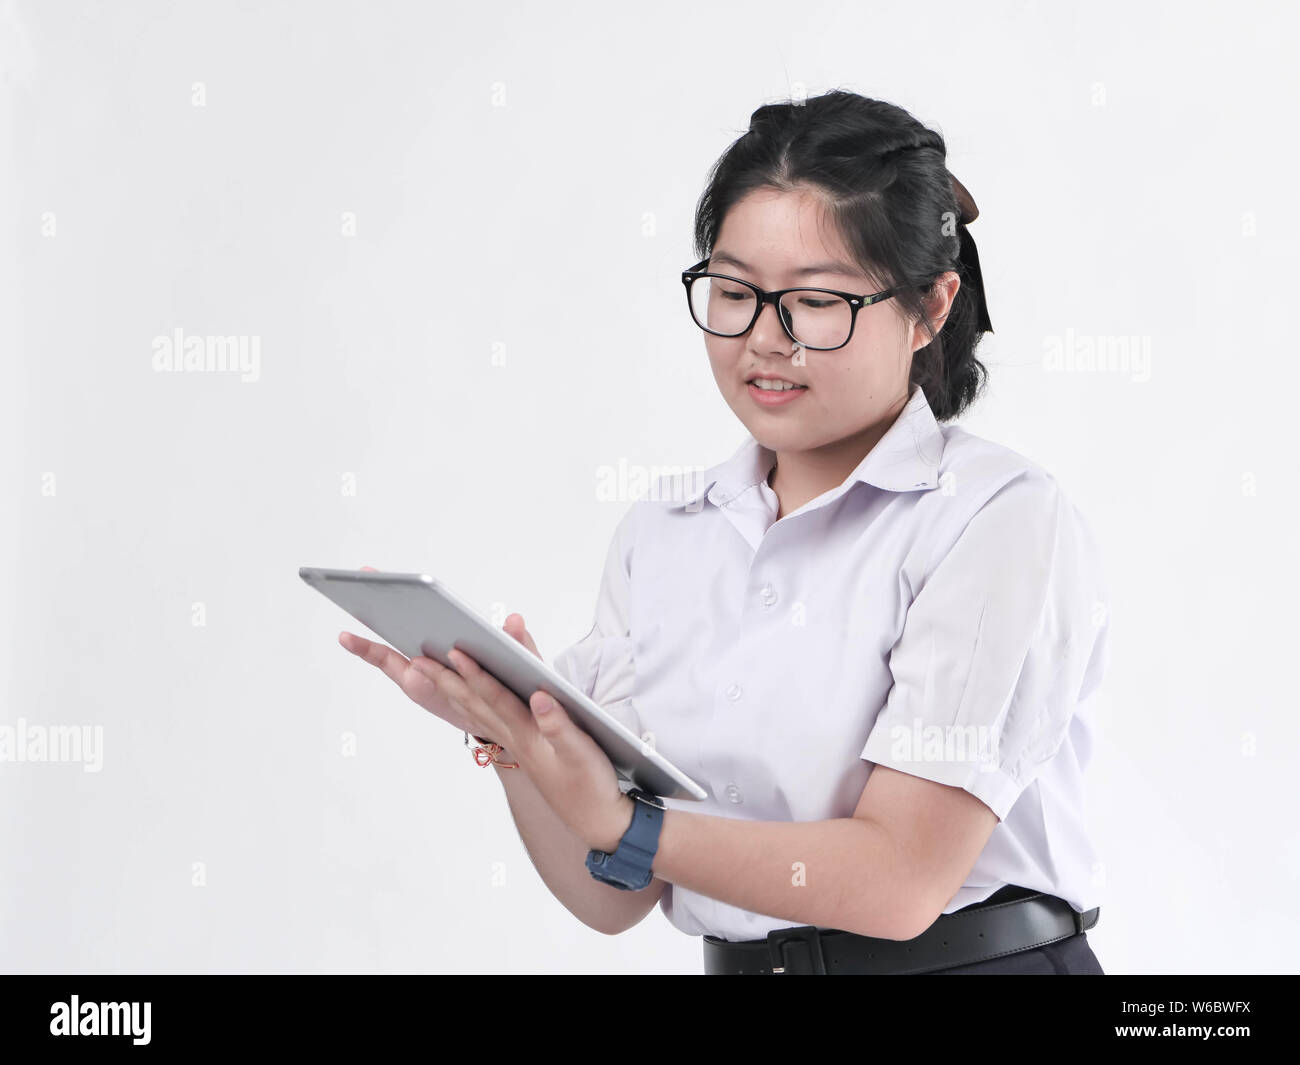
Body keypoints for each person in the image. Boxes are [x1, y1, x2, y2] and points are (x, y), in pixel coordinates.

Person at [339, 89, 1109, 975]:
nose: (763, 341)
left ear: (931, 306)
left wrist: (630, 824)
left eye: (816, 301)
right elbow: (612, 895)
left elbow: (901, 879)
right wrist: (520, 740)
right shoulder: (664, 534)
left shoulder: (994, 516)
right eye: (735, 290)